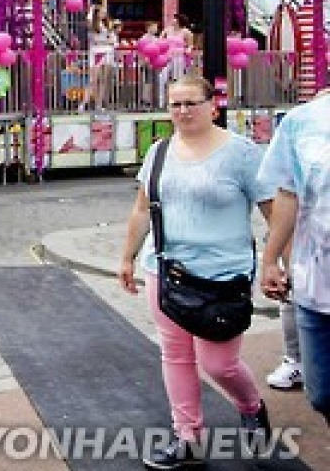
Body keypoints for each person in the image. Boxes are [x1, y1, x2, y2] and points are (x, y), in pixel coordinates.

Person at [117, 75, 273, 469]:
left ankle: (251, 405)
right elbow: (141, 208)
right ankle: (187, 437)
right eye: (175, 104)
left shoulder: (242, 154)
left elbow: (274, 210)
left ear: (212, 105)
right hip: (165, 271)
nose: (183, 111)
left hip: (223, 277)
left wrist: (277, 261)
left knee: (219, 363)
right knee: (176, 354)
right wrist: (127, 257)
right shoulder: (159, 151)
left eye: (191, 103)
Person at [258, 87, 330, 424]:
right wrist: (270, 259)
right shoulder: (302, 122)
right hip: (315, 285)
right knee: (322, 394)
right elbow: (287, 194)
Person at [81, 8, 116, 112]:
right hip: (96, 53)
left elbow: (113, 40)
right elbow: (95, 39)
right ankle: (83, 104)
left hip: (107, 52)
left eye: (105, 12)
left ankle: (99, 105)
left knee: (103, 81)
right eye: (102, 12)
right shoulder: (93, 24)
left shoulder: (107, 25)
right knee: (93, 80)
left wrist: (108, 42)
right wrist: (92, 9)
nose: (104, 14)